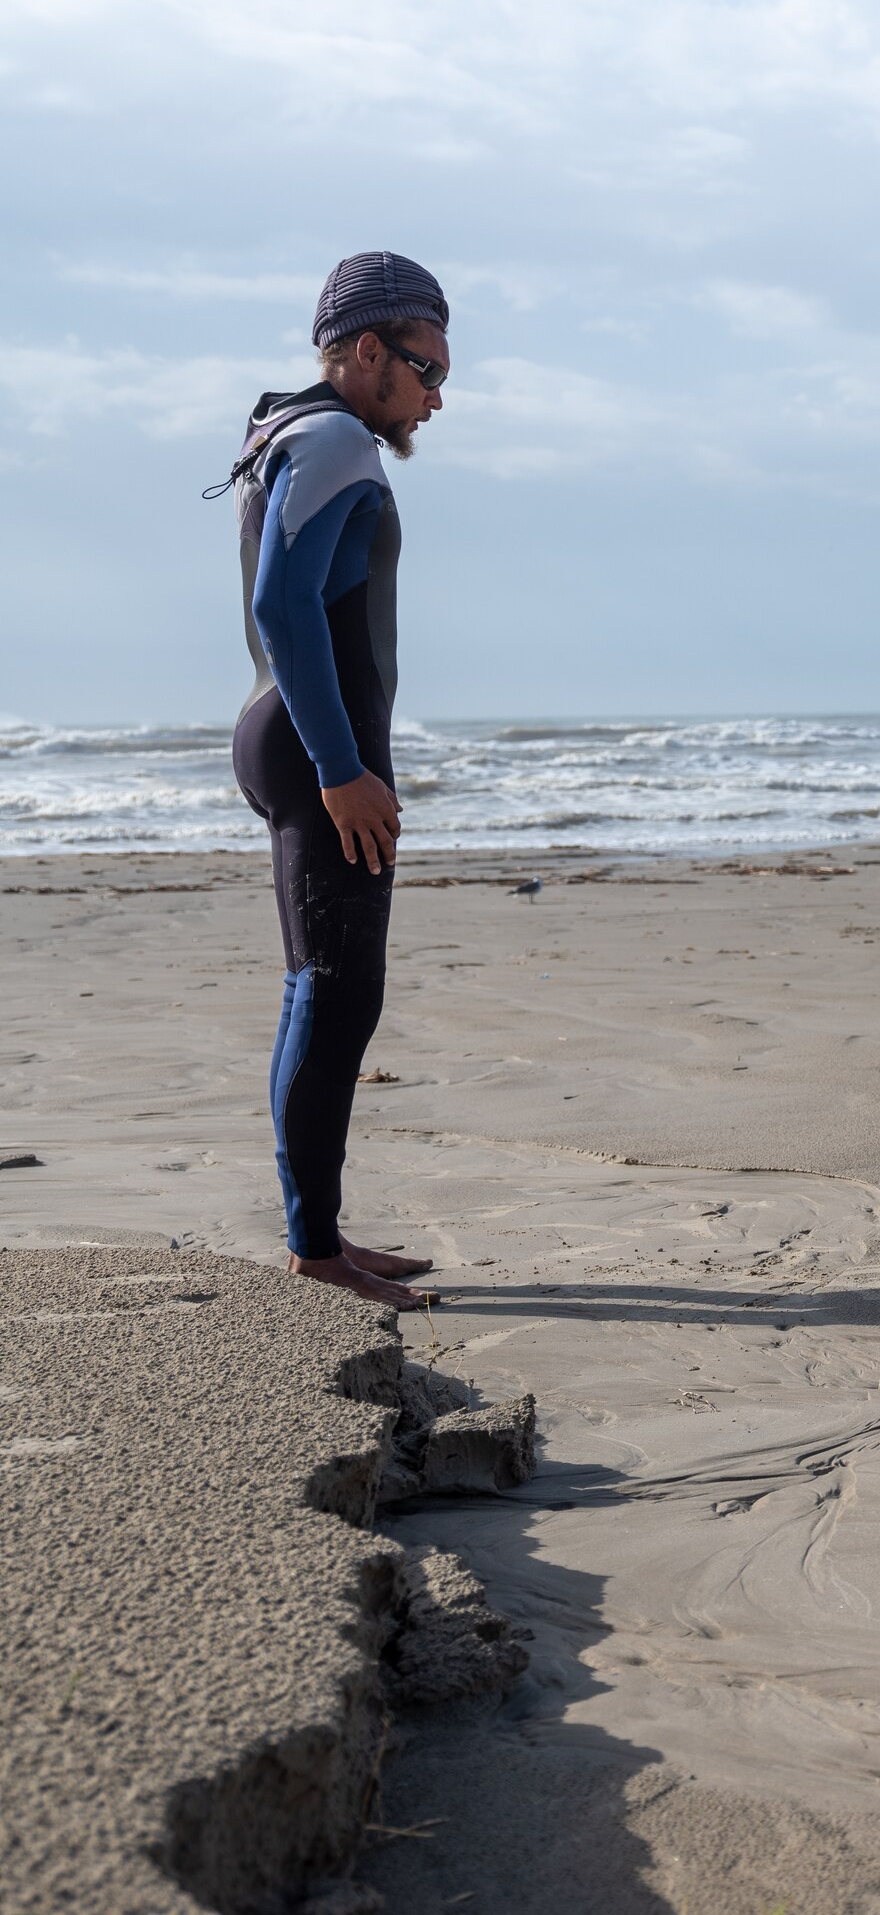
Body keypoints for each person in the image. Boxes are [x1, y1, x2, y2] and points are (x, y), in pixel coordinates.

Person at [222, 253, 451, 1310]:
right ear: (369, 352)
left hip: (304, 737)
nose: (435, 396)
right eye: (425, 368)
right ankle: (316, 1254)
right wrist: (343, 770)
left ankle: (320, 1233)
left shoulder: (296, 433)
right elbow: (284, 610)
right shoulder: (332, 438)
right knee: (338, 991)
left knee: (319, 988)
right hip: (320, 748)